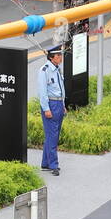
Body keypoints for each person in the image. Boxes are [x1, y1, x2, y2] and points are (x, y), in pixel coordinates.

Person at [38, 46, 65, 176]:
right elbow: (42, 92)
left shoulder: (57, 69)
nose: (60, 57)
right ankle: (53, 165)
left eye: (60, 54)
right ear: (51, 57)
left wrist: (63, 104)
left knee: (52, 135)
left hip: (58, 103)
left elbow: (61, 89)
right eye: (58, 55)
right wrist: (46, 109)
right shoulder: (45, 71)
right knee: (52, 136)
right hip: (51, 104)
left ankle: (45, 163)